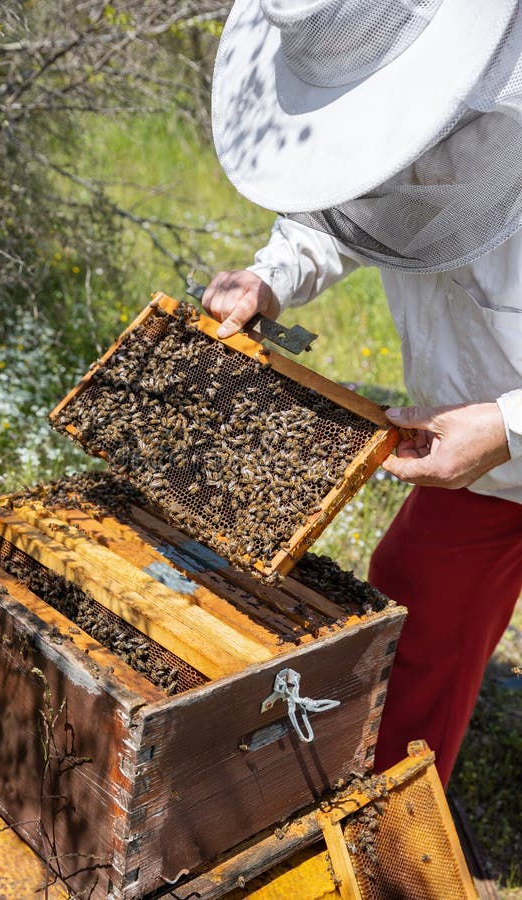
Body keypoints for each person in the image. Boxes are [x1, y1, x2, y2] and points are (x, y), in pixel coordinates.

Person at [203, 0, 522, 785]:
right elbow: (342, 210)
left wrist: (510, 425)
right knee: (409, 620)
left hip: (496, 436)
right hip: (479, 463)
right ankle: (392, 831)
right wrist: (268, 280)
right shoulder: (385, 106)